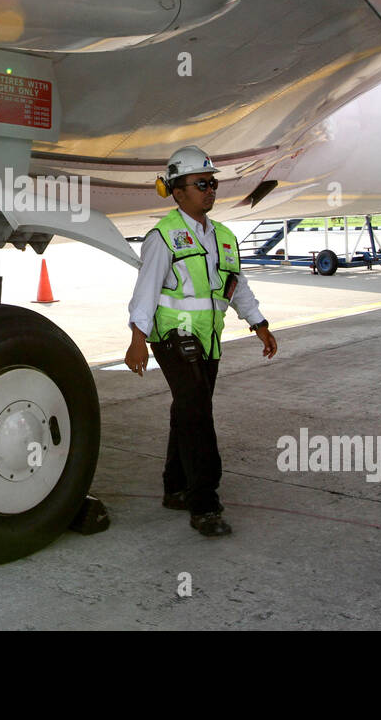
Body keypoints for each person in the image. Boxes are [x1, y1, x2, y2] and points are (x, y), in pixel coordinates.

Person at [124, 145, 278, 537]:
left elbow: (235, 284)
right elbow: (146, 290)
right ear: (178, 192)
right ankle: (204, 503)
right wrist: (137, 338)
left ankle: (175, 487)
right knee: (198, 415)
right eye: (202, 183)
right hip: (172, 336)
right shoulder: (164, 237)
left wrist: (258, 323)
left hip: (208, 339)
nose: (211, 189)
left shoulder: (224, 236)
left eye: (213, 183)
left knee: (190, 409)